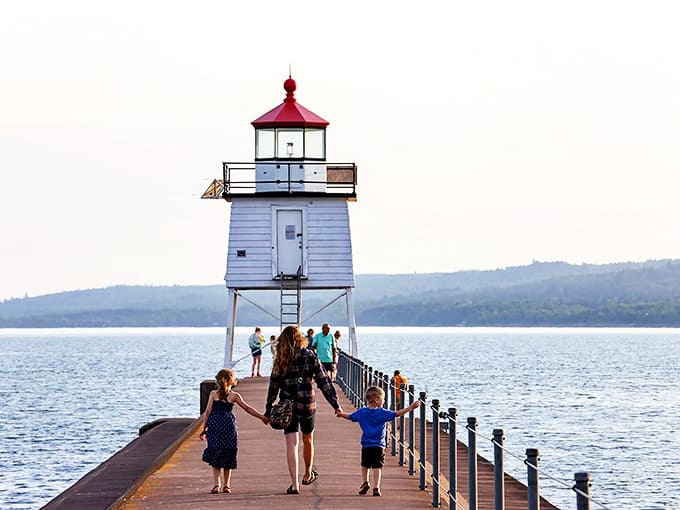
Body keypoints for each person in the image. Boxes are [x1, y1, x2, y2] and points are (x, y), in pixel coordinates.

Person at [265, 325, 343, 495]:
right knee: (308, 440)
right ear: (300, 338)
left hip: (287, 406)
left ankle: (294, 484)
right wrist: (336, 405)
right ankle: (307, 474)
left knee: (291, 444)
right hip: (307, 404)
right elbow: (324, 382)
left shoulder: (280, 359)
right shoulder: (310, 355)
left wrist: (268, 409)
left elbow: (273, 386)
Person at [336, 385, 421, 497]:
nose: (384, 401)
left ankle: (365, 482)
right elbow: (397, 413)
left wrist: (340, 414)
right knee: (377, 467)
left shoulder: (362, 412)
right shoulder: (383, 413)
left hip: (366, 444)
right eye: (383, 399)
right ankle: (376, 487)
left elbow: (350, 416)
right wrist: (410, 407)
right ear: (376, 400)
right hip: (379, 445)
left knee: (365, 465)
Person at [199, 368, 269, 494]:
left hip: (215, 426)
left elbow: (208, 412)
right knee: (228, 453)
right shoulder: (234, 396)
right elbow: (247, 408)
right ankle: (227, 485)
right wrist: (262, 417)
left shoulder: (213, 394)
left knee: (215, 453)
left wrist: (204, 429)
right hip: (228, 426)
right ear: (232, 381)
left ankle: (216, 484)